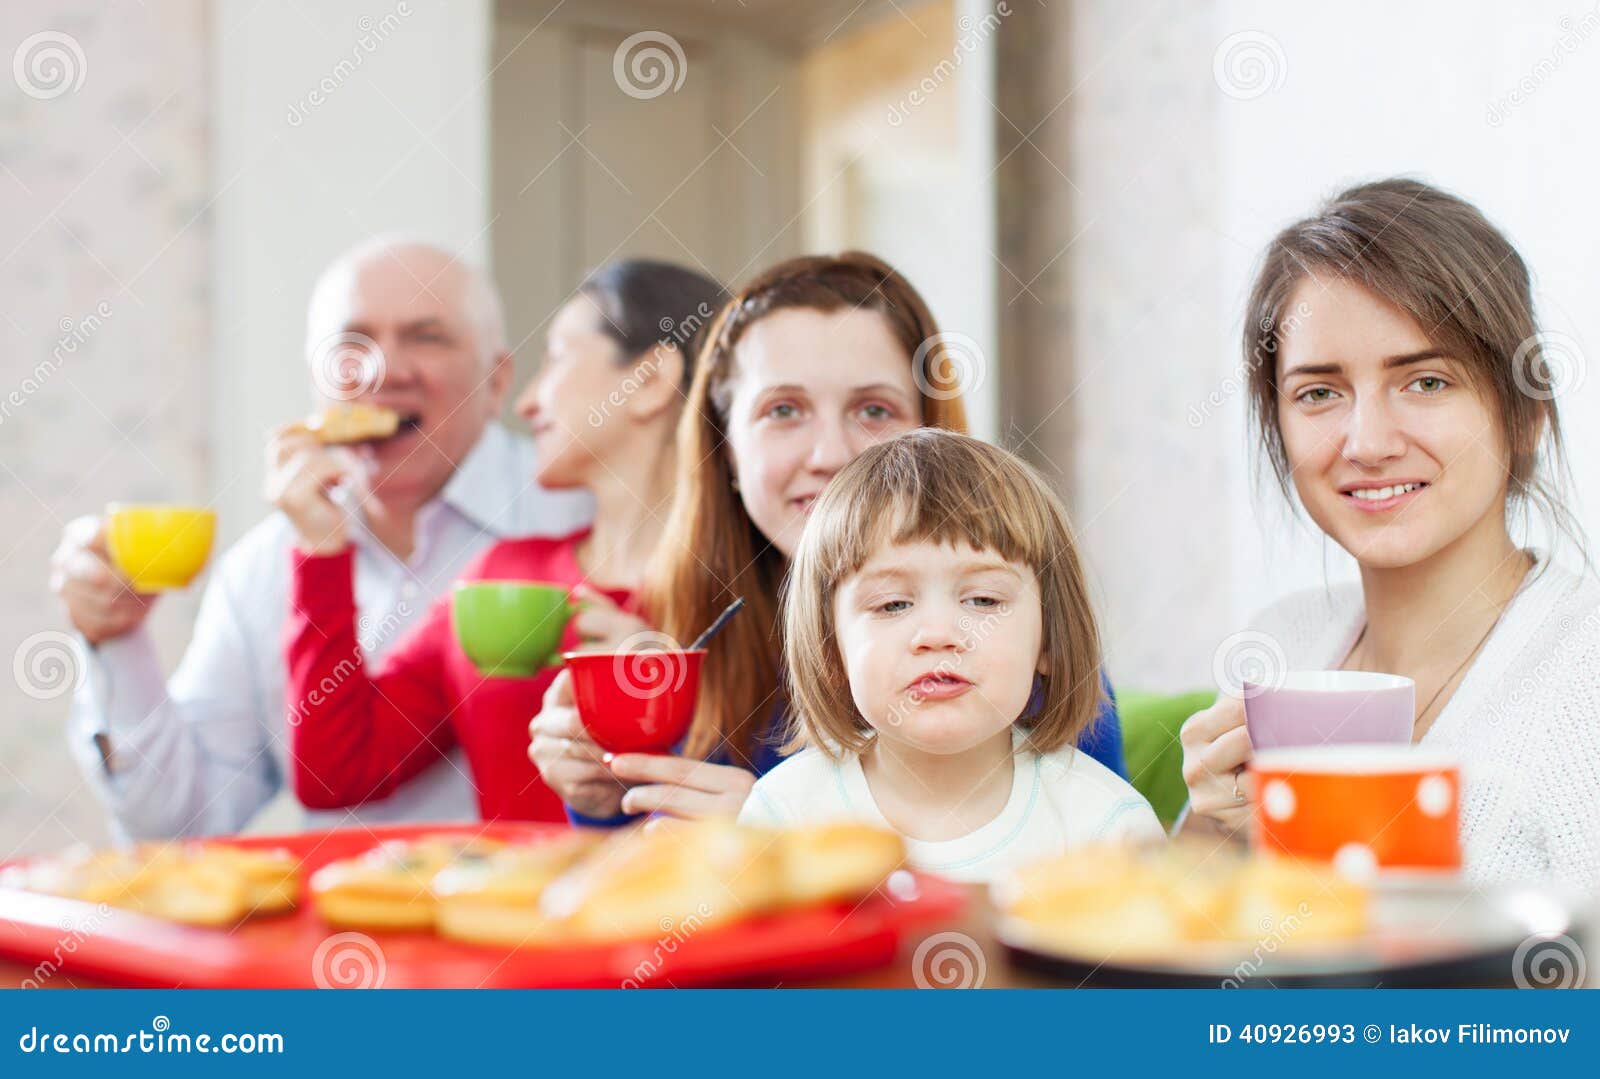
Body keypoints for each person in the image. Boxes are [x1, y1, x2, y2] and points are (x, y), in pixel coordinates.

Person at [530, 252, 1127, 824]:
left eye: (873, 410)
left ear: (932, 439)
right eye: (784, 410)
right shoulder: (684, 651)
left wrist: (789, 845)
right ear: (727, 451)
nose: (831, 455)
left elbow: (1073, 896)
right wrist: (608, 799)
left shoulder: (1016, 652)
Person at [50, 237, 591, 838]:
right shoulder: (262, 570)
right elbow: (179, 827)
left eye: (426, 336)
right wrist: (114, 641)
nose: (383, 370)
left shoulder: (582, 516)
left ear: (496, 382)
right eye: (352, 343)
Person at [1177, 178, 1600, 888]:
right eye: (1319, 393)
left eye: (1426, 382)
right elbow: (1167, 973)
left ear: (1527, 415)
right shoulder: (1280, 642)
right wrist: (1210, 832)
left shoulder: (1581, 675)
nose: (1366, 442)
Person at [280, 260, 724, 821]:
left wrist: (667, 707)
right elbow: (332, 773)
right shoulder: (502, 580)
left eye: (557, 359)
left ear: (650, 381)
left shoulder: (757, 599)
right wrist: (320, 549)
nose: (526, 403)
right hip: (503, 907)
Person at [739, 430, 1161, 881]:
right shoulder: (782, 819)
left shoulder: (1109, 828)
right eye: (893, 605)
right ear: (830, 650)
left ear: (1049, 642)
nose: (939, 635)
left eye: (982, 600)